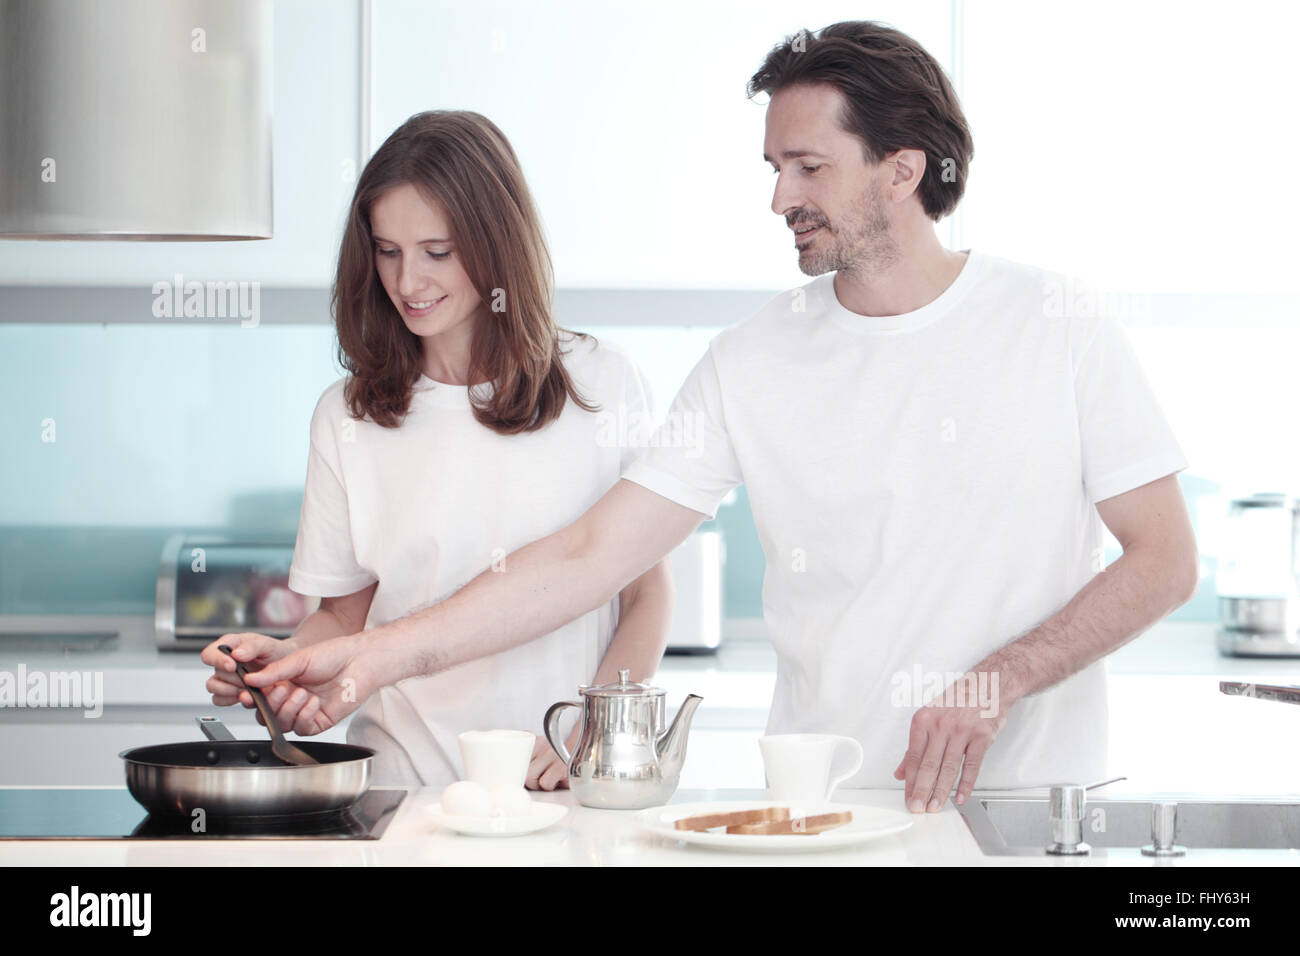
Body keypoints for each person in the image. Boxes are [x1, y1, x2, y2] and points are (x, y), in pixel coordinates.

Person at [236, 22, 1198, 814]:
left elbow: (1164, 560)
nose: (780, 197)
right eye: (775, 166)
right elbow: (586, 560)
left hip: (1033, 804)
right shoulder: (751, 361)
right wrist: (364, 660)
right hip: (826, 808)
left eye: (809, 168)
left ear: (903, 171)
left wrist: (999, 681)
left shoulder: (1054, 323)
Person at [201, 110, 673, 791]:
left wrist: (593, 725)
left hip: (558, 789)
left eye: (437, 251)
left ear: (495, 243)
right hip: (405, 792)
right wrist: (284, 663)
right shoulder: (347, 416)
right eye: (387, 250)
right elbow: (342, 617)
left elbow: (647, 592)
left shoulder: (603, 384)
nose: (408, 282)